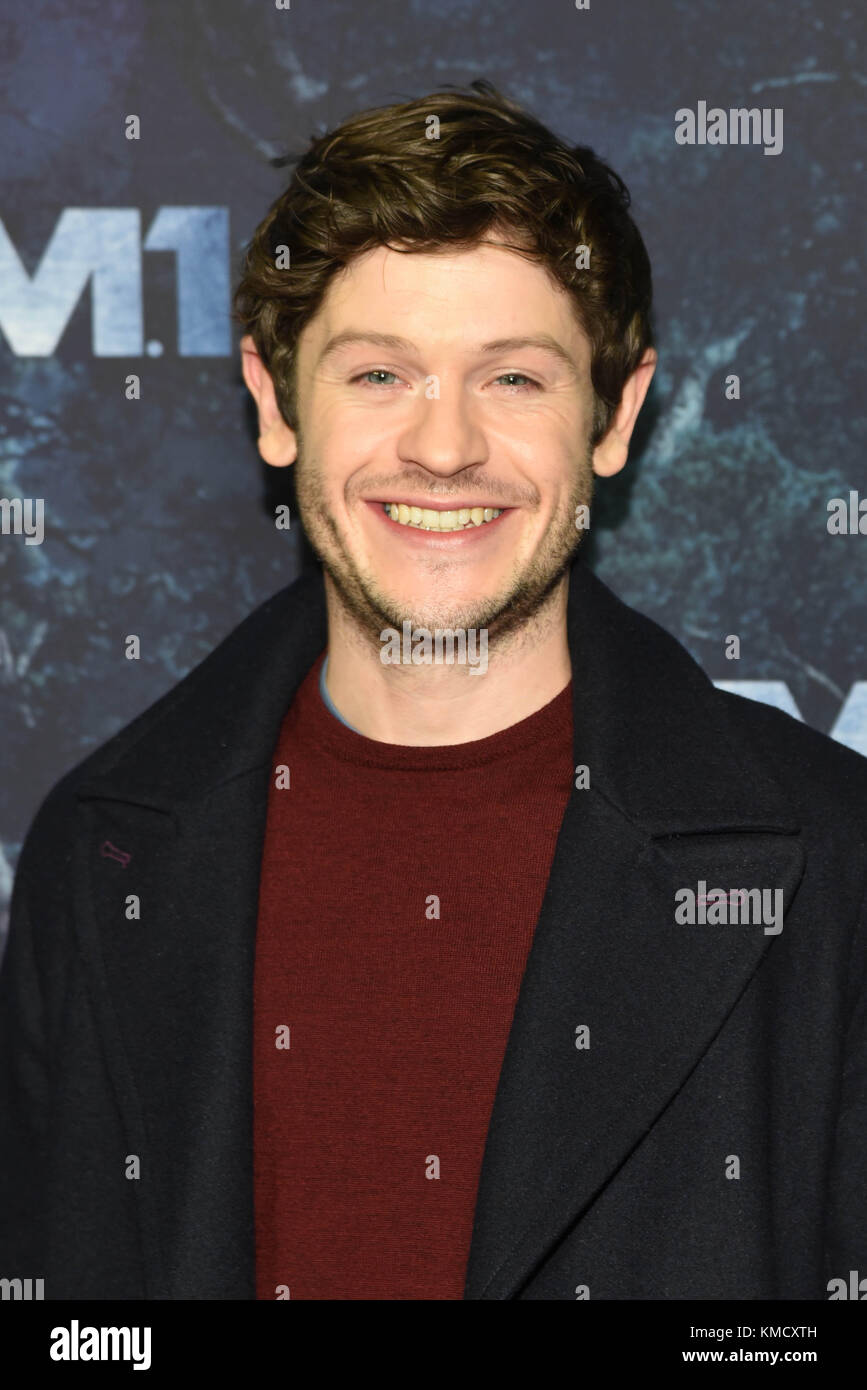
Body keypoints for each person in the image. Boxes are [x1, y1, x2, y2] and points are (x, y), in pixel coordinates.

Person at [1, 80, 865, 1302]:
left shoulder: (833, 864)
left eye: (512, 379)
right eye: (378, 376)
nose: (444, 445)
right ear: (273, 402)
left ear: (616, 417)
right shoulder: (101, 857)